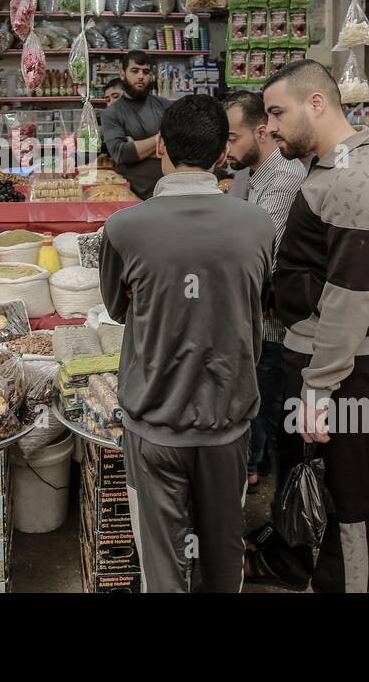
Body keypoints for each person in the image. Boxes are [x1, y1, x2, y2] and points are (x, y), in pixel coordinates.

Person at [99, 94, 276, 593]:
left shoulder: (124, 228)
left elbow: (118, 308)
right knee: (223, 559)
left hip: (154, 425)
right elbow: (255, 302)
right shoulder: (257, 225)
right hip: (228, 423)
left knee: (163, 564)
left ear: (160, 149)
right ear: (223, 153)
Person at [246, 59, 369, 594]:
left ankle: (344, 584)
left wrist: (319, 386)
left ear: (316, 103)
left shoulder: (359, 177)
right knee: (301, 467)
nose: (269, 127)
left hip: (347, 366)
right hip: (316, 354)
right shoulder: (328, 164)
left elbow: (349, 299)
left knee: (347, 489)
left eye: (276, 113)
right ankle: (293, 564)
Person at [223, 90, 308, 489]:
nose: (226, 148)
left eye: (232, 137)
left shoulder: (284, 178)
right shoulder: (250, 173)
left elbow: (260, 256)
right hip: (254, 313)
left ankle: (254, 467)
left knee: (261, 387)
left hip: (271, 319)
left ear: (260, 133)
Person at [101, 50, 171, 199]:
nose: (141, 76)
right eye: (135, 71)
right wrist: (163, 138)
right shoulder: (111, 113)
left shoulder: (165, 106)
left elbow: (180, 148)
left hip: (168, 191)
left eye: (145, 72)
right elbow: (121, 153)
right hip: (131, 196)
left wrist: (138, 147)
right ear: (122, 74)